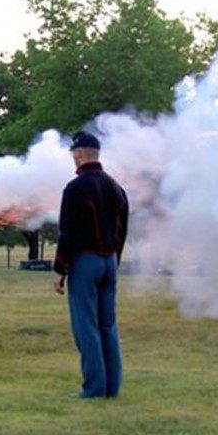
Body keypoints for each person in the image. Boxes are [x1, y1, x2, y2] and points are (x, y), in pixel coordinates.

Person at [53, 131, 129, 398]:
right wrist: (114, 260)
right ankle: (112, 387)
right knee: (108, 325)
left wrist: (60, 269)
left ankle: (94, 387)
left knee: (86, 326)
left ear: (79, 154)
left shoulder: (75, 189)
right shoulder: (116, 188)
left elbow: (68, 233)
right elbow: (122, 231)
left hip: (86, 261)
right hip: (110, 261)